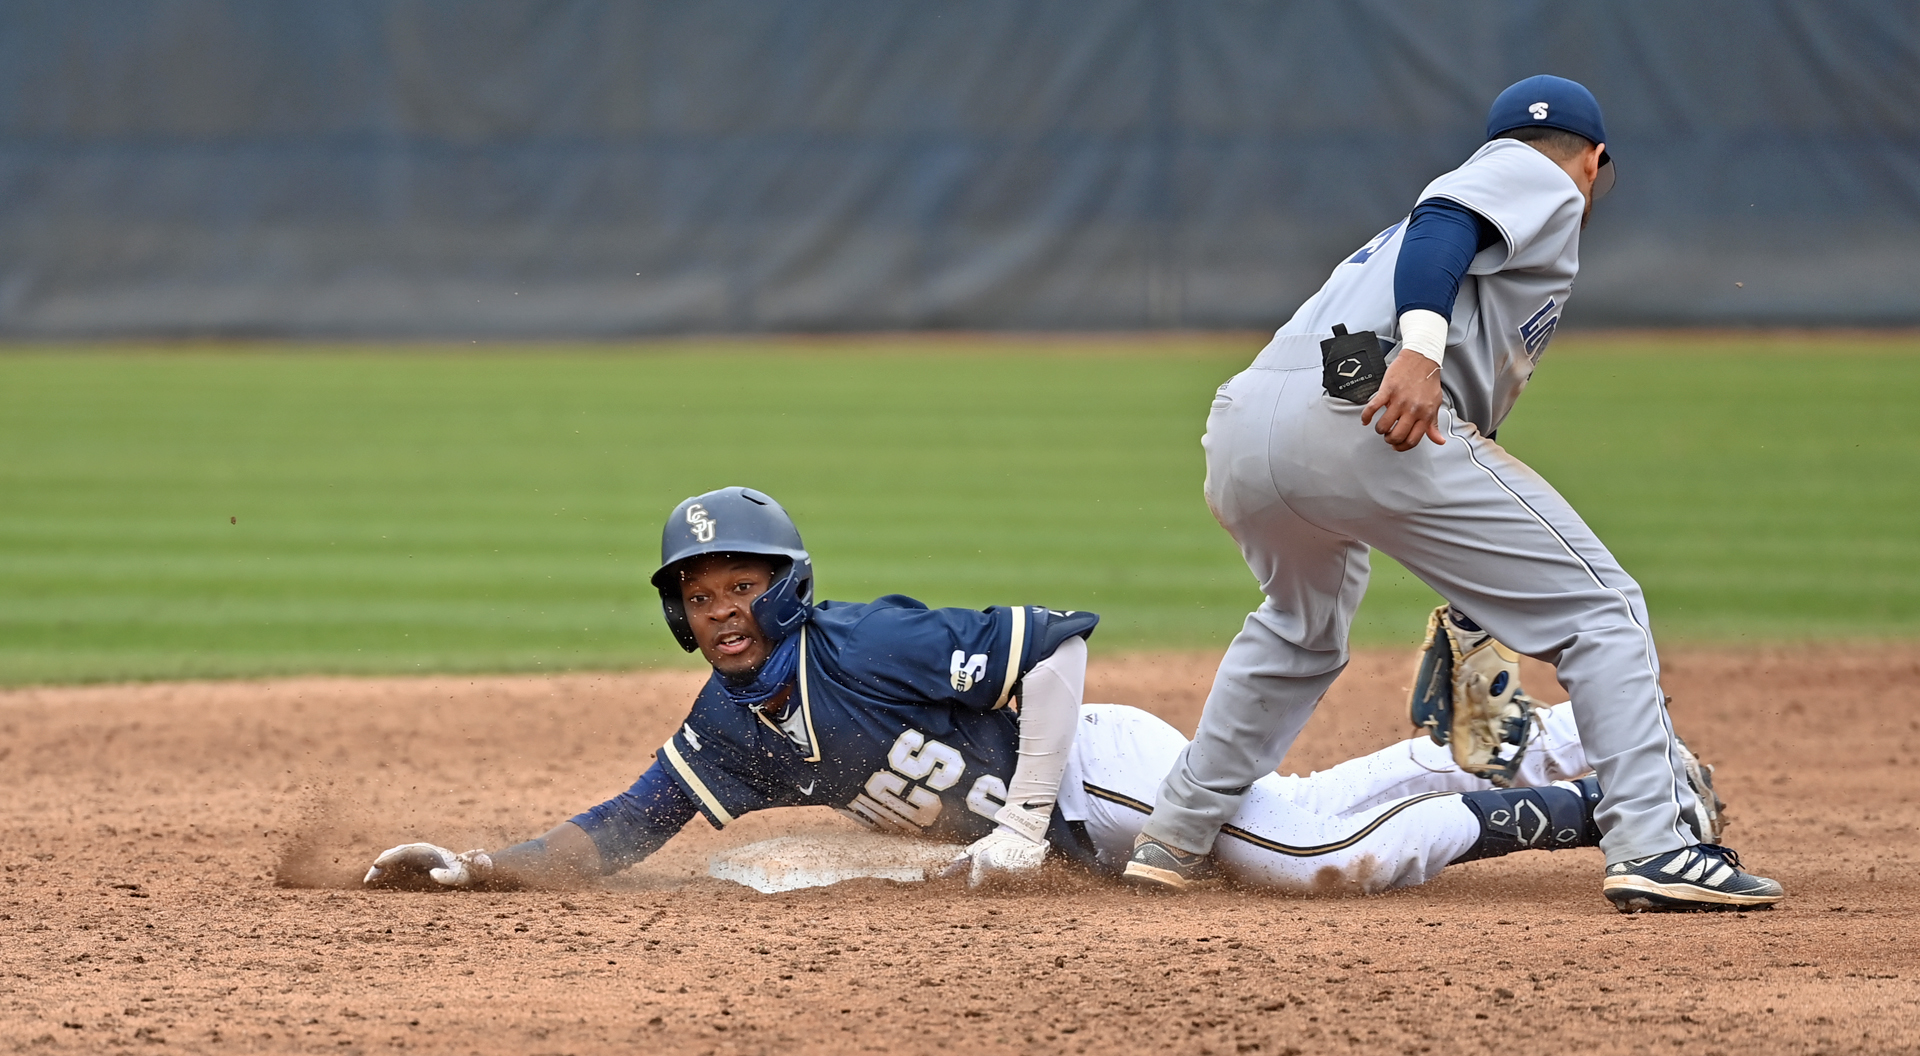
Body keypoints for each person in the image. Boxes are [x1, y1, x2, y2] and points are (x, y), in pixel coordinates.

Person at [363, 486, 1732, 900]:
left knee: (1307, 855)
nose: (719, 608)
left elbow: (1058, 650)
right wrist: (481, 869)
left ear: (784, 587)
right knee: (1302, 827)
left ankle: (1609, 792)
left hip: (1087, 771)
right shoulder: (732, 727)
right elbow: (627, 823)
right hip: (1073, 819)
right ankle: (1536, 749)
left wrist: (1023, 818)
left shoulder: (864, 643)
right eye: (698, 594)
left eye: (738, 584)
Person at [1120, 76, 1782, 913]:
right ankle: (1656, 846)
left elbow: (1463, 485)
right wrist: (1421, 354)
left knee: (1298, 628)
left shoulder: (1429, 248)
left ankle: (1174, 833)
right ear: (1594, 161)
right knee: (1603, 612)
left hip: (1249, 423)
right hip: (1362, 411)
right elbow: (1444, 222)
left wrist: (1481, 605)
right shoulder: (1534, 179)